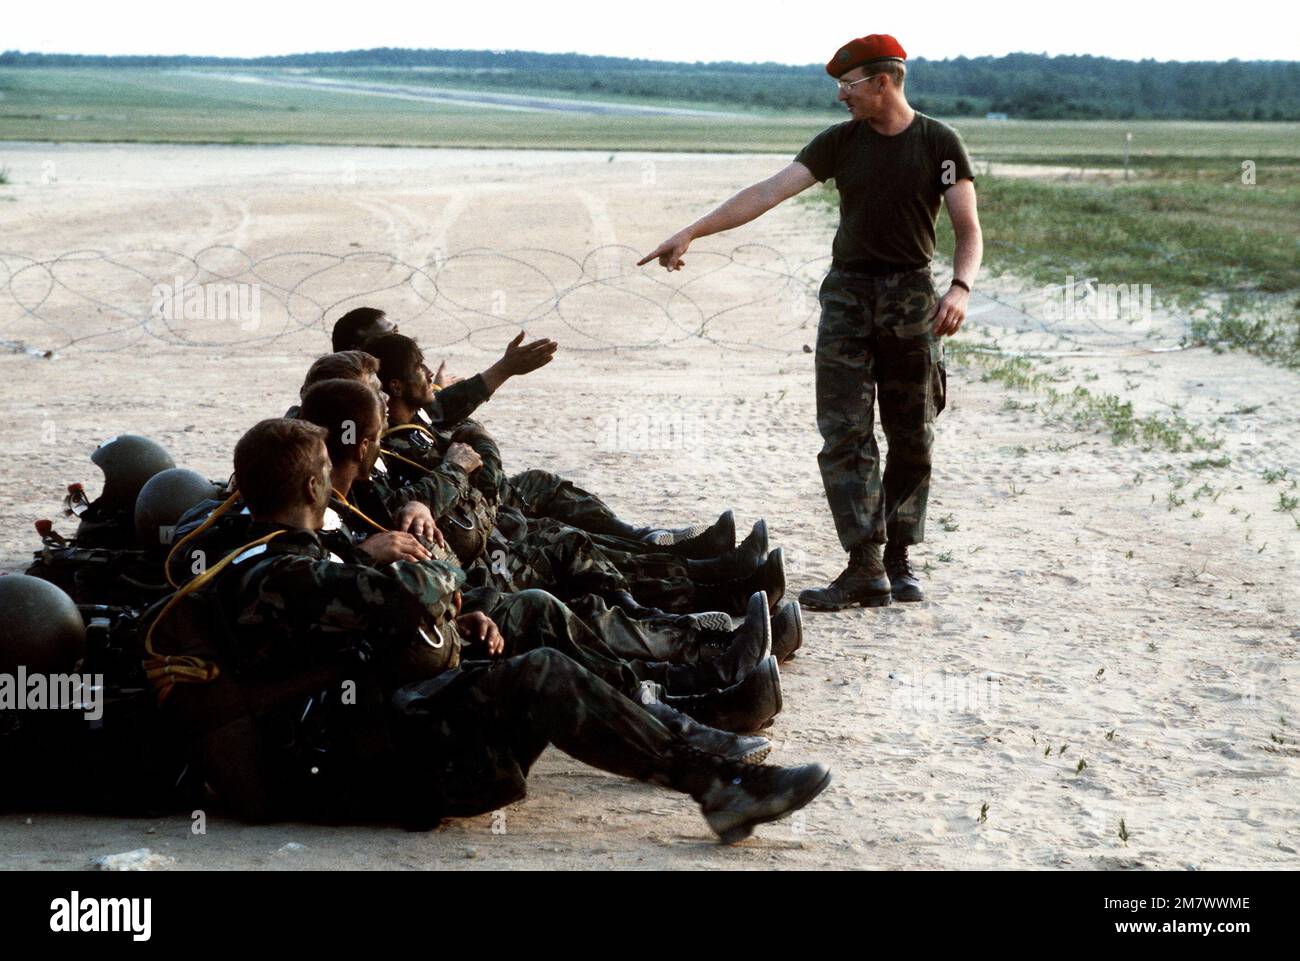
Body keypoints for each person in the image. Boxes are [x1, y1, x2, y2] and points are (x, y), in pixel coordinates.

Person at [148, 417, 830, 842]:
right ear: (311, 489)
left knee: (527, 630)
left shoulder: (277, 557)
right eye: (327, 474)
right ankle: (717, 786)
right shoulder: (280, 574)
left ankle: (697, 738)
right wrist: (432, 561)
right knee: (539, 673)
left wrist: (453, 615)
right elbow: (419, 588)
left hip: (367, 733)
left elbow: (368, 626)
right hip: (351, 766)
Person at [639, 33, 984, 609]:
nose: (841, 96)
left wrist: (961, 288)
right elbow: (768, 192)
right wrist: (693, 230)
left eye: (849, 86)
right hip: (848, 298)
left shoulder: (939, 143)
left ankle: (898, 557)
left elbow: (968, 229)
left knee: (912, 435)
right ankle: (865, 564)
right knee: (844, 433)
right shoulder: (838, 143)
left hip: (911, 300)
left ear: (883, 82)